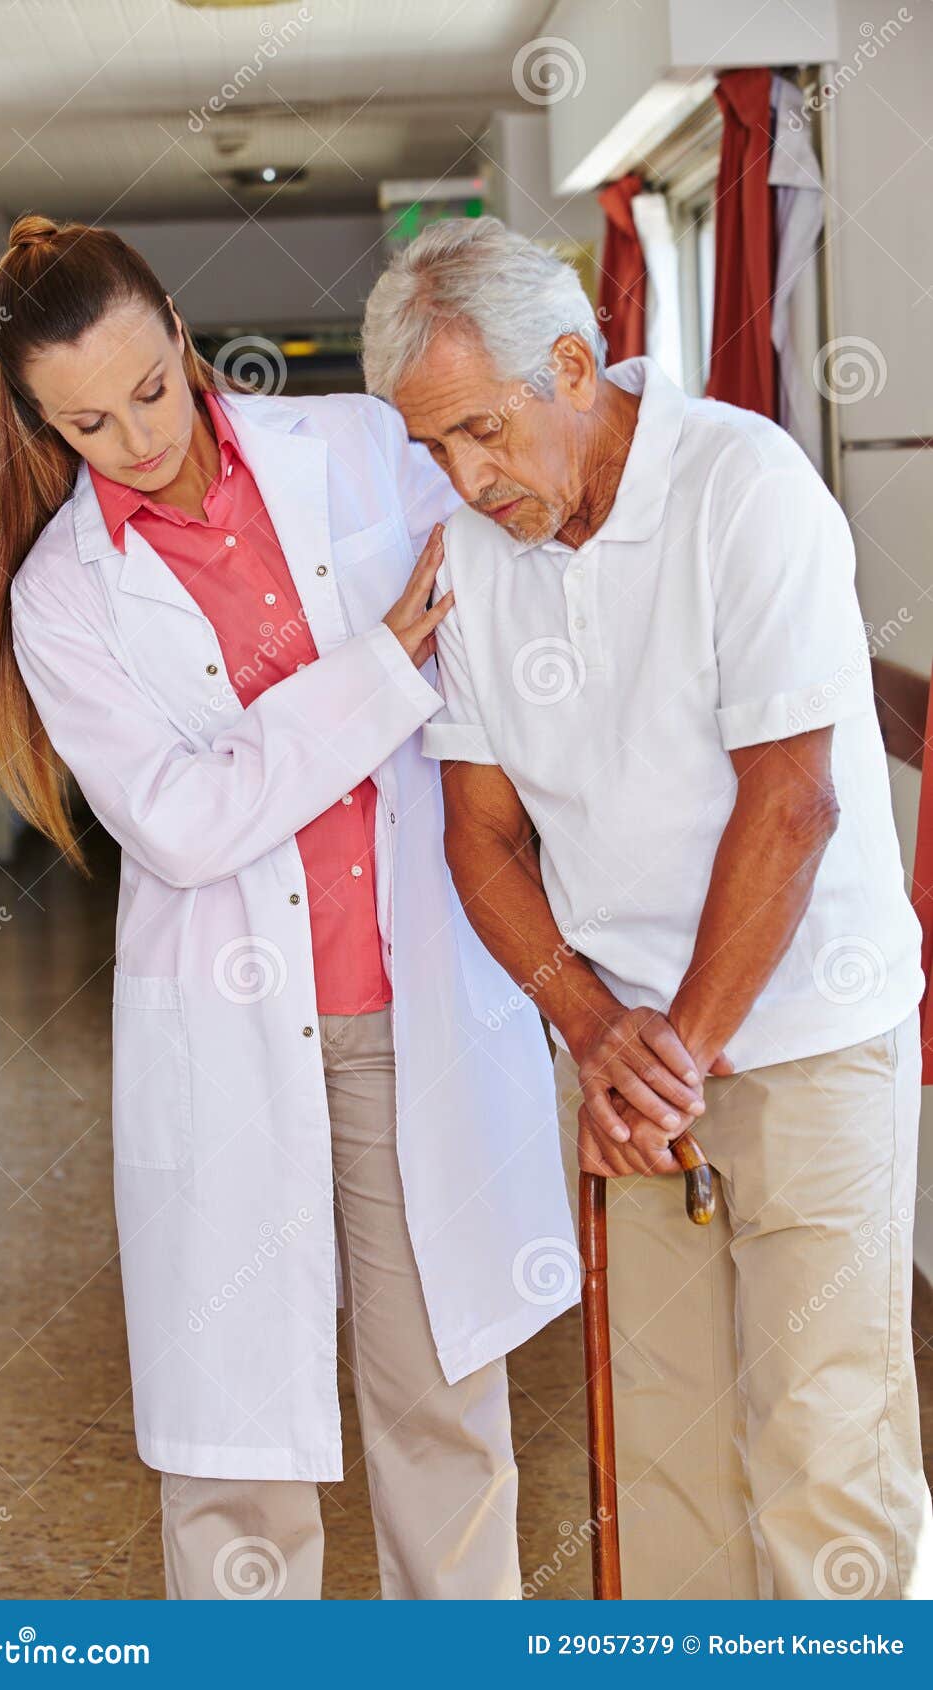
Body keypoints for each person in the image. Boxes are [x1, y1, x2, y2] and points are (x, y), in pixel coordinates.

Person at [0, 214, 579, 1601]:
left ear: (183, 340)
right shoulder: (65, 599)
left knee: (444, 1411)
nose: (136, 439)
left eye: (149, 389)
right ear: (36, 422)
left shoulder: (358, 445)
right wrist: (376, 669)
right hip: (235, 1033)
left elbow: (493, 626)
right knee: (236, 1457)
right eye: (88, 422)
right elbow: (186, 827)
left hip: (409, 1003)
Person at [361, 214, 933, 1601]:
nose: (465, 475)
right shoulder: (477, 553)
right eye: (434, 447)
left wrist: (673, 1047)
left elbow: (792, 798)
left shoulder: (747, 486)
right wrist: (596, 1027)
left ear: (573, 362)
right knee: (662, 1453)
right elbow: (480, 833)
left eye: (483, 431)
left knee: (822, 1432)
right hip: (625, 1062)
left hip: (804, 1035)